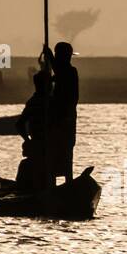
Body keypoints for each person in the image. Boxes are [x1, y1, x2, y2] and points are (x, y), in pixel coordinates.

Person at [42, 41, 79, 182]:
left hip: (66, 120)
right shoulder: (62, 73)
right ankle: (51, 186)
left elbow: (60, 72)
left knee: (66, 152)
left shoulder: (70, 72)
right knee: (53, 154)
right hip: (57, 121)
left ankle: (67, 183)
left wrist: (49, 55)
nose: (69, 58)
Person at [15, 70, 52, 190]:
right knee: (26, 166)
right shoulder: (47, 102)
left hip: (50, 147)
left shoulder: (39, 102)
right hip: (40, 146)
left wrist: (27, 139)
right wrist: (28, 140)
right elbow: (19, 124)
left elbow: (19, 124)